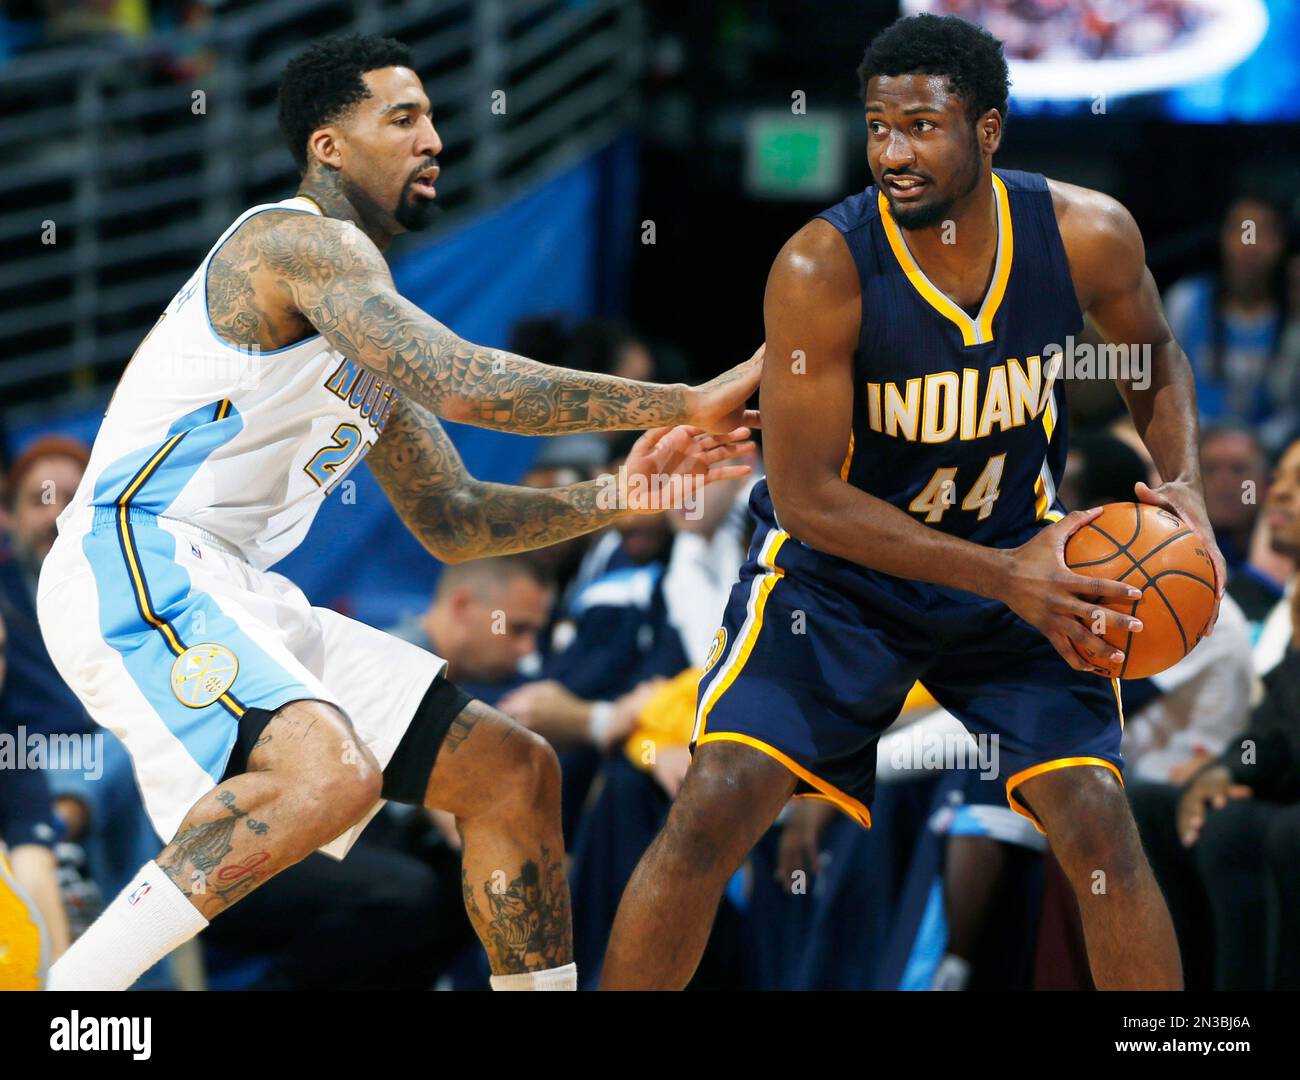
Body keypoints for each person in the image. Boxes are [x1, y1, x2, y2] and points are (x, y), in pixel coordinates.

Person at [20, 32, 759, 993]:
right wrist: (679, 401)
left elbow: (454, 517)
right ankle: (69, 1000)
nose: (435, 138)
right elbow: (461, 380)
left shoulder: (362, 320)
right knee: (328, 778)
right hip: (135, 548)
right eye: (403, 117)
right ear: (328, 146)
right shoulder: (289, 243)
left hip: (234, 582)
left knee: (513, 772)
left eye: (434, 117)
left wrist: (624, 493)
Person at [600, 13, 1226, 991]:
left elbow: (1152, 357)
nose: (893, 151)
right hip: (845, 584)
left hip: (1018, 574)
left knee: (1098, 823)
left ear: (986, 129)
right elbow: (805, 501)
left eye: (921, 126)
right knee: (715, 800)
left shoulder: (1085, 236)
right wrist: (1006, 574)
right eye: (878, 126)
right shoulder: (822, 266)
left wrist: (1182, 480)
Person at [1129, 438, 1300, 988]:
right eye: (1280, 476)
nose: (1279, 490)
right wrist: (1226, 771)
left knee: (1260, 832)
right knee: (1152, 807)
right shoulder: (1287, 606)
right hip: (1277, 784)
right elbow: (1275, 727)